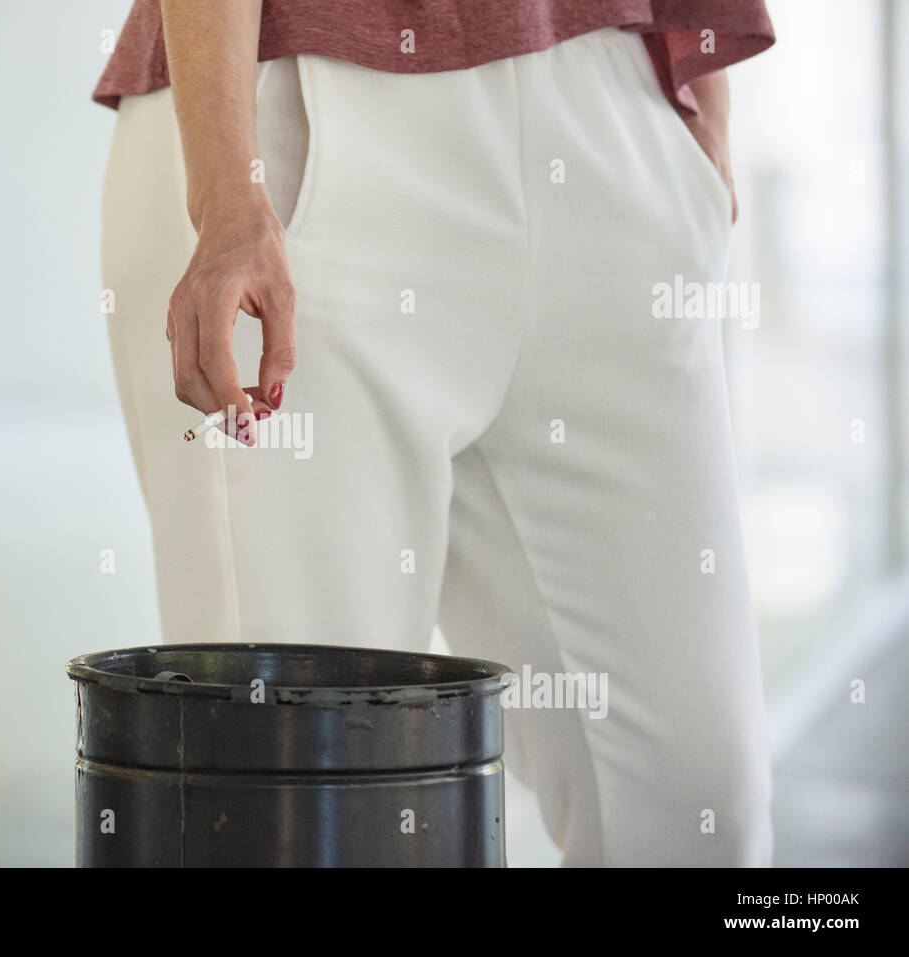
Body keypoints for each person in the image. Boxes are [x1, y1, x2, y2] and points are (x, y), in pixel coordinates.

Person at [94, 0, 776, 866]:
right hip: (290, 111)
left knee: (700, 801)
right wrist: (229, 186)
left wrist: (706, 107)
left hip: (604, 97)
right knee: (296, 810)